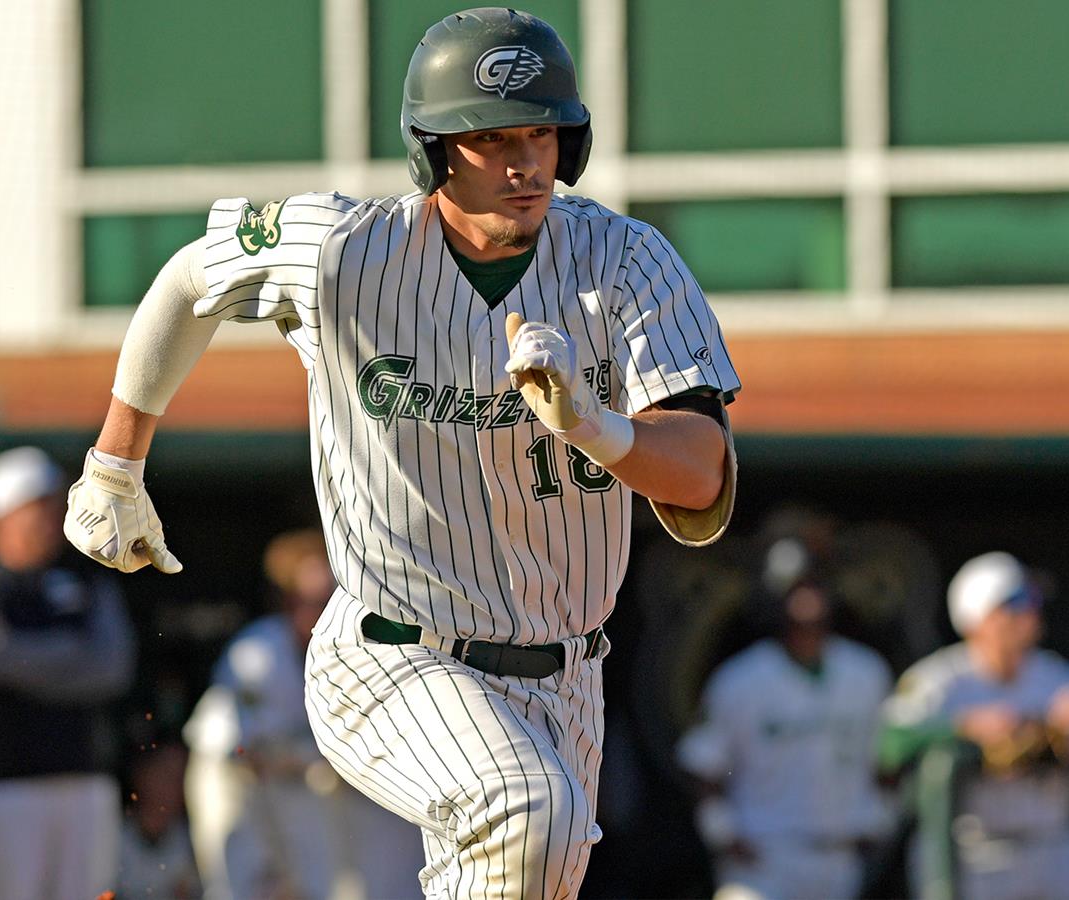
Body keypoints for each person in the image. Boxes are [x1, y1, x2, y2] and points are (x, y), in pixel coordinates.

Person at [61, 8, 740, 897]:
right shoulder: (346, 250)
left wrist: (594, 426)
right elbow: (192, 278)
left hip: (569, 671)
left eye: (539, 131)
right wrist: (116, 461)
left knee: (535, 843)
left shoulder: (626, 260)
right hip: (393, 650)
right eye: (490, 136)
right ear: (434, 149)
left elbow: (700, 474)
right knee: (529, 810)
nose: (523, 160)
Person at [880, 552, 1069, 900]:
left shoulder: (1051, 674)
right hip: (973, 850)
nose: (1033, 611)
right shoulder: (942, 680)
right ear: (980, 617)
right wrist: (963, 726)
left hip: (1049, 841)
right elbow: (886, 742)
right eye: (1018, 601)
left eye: (1034, 600)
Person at [0, 446, 137, 900]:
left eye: (54, 504)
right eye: (38, 505)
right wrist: (72, 654)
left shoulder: (89, 580)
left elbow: (113, 666)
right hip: (2, 785)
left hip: (83, 779)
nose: (52, 517)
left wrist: (27, 659)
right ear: (2, 513)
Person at [184, 528, 422, 900]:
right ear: (288, 600)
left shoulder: (361, 652)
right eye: (308, 600)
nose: (320, 609)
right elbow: (247, 753)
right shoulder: (258, 650)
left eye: (329, 598)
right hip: (237, 781)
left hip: (307, 785)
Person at [677, 545, 894, 900]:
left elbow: (890, 753)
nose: (807, 600)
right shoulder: (739, 679)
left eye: (814, 586)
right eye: (794, 589)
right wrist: (722, 834)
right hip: (763, 858)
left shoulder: (866, 672)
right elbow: (702, 763)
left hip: (838, 855)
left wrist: (881, 816)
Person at [117, 738, 203, 900]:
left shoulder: (196, 839)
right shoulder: (112, 837)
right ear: (141, 775)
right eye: (166, 774)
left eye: (182, 777)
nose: (174, 786)